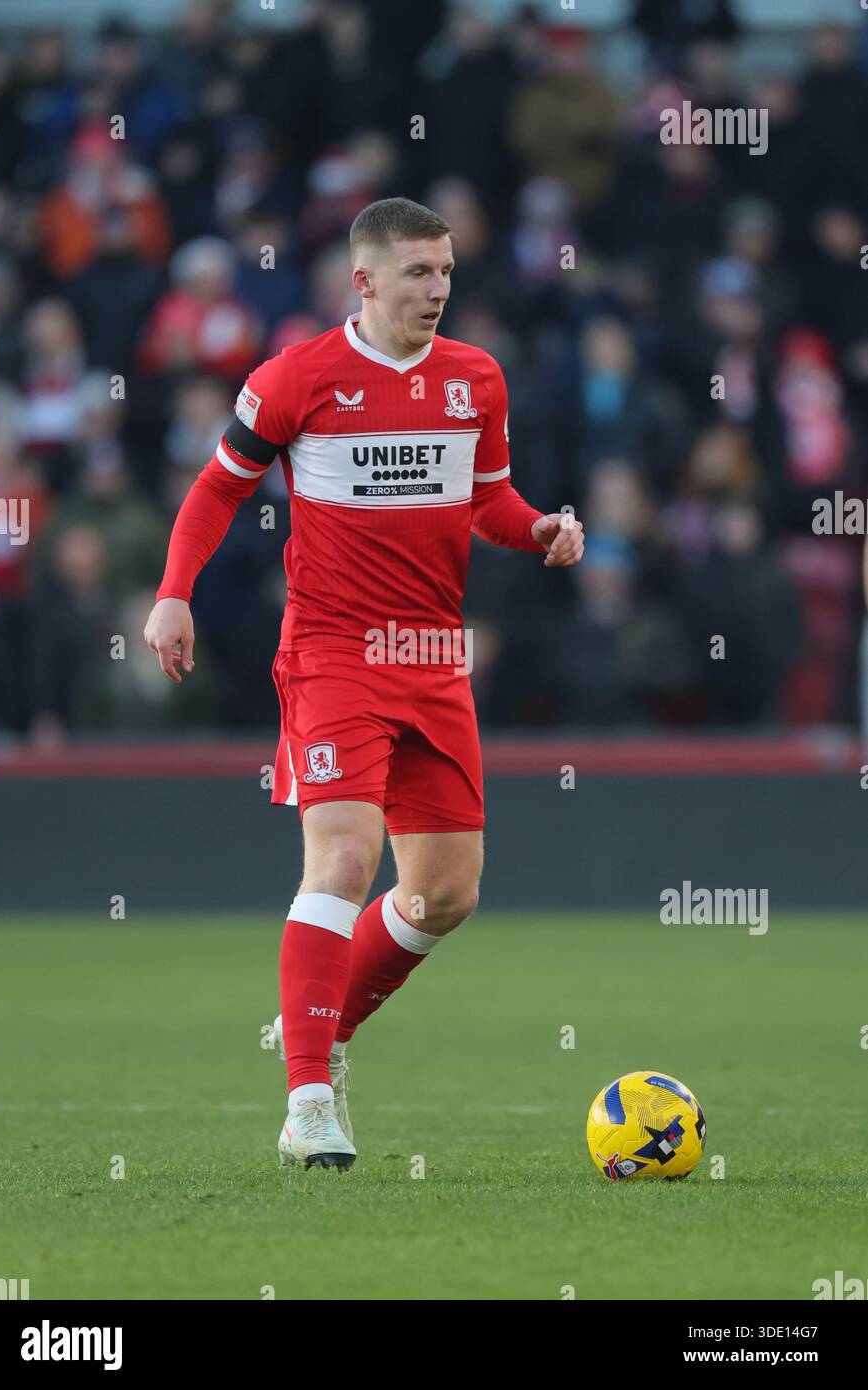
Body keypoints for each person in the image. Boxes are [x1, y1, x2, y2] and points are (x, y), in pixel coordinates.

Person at [143, 197, 584, 1169]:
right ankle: (308, 1105)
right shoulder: (297, 378)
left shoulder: (476, 379)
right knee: (344, 859)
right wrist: (174, 594)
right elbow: (219, 485)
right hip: (334, 651)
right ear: (364, 280)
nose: (437, 290)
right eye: (418, 273)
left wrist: (540, 528)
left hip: (435, 660)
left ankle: (322, 1026)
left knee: (444, 896)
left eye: (446, 272)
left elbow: (487, 501)